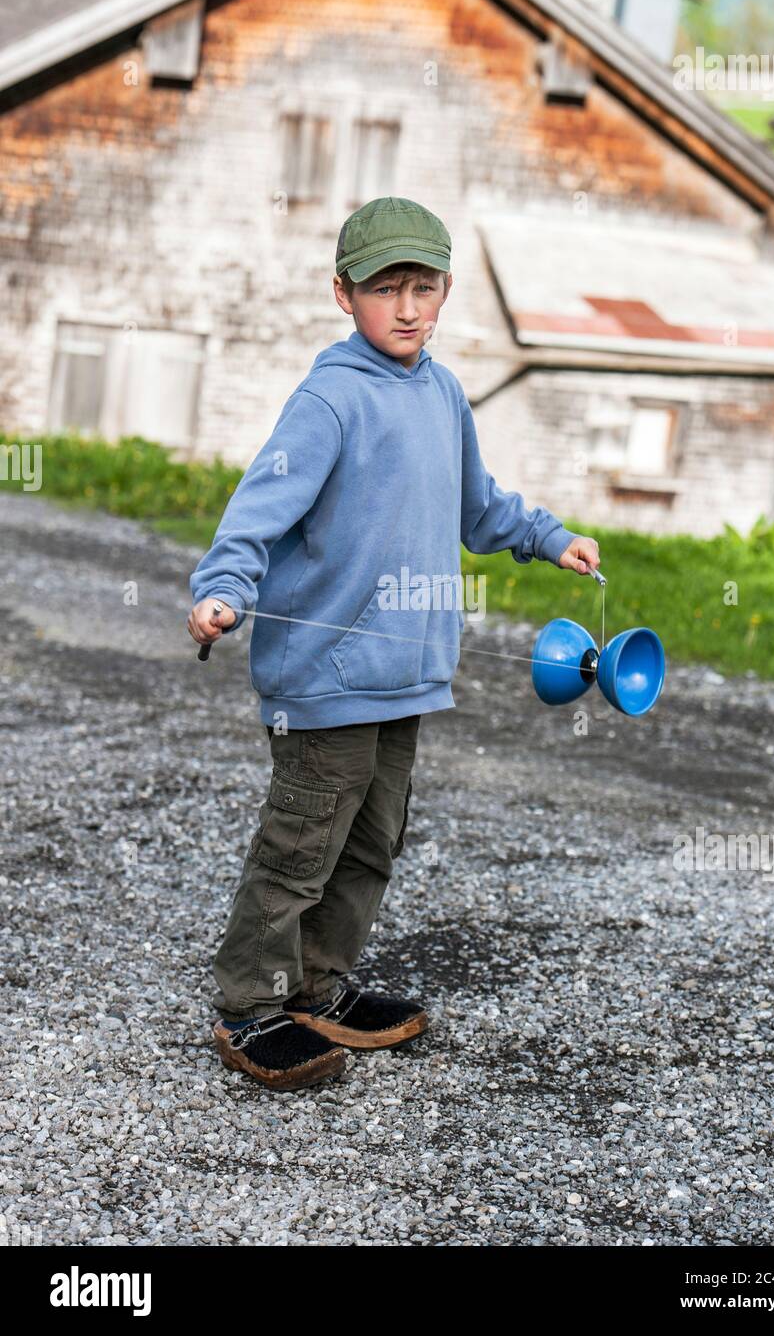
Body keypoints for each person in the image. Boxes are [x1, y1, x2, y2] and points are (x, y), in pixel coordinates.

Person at [187, 196, 600, 1091]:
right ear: (344, 295)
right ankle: (248, 1005)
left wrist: (544, 536)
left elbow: (478, 504)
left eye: (423, 287)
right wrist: (222, 590)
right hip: (325, 676)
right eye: (385, 289)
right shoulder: (330, 398)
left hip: (405, 679)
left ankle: (319, 988)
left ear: (445, 288)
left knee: (371, 844)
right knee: (301, 847)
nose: (407, 308)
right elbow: (257, 509)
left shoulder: (444, 393)